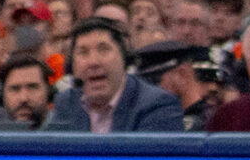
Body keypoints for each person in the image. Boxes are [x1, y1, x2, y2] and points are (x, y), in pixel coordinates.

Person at [45, 22, 185, 133]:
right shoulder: (67, 103)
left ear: (124, 59)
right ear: (72, 68)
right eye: (83, 52)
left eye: (103, 49)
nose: (93, 62)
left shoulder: (157, 105)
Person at [133, 39, 229, 131]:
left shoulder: (209, 122)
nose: (147, 89)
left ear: (181, 74)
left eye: (155, 81)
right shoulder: (156, 118)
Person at [0, 55, 54, 128]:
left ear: (49, 92)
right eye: (15, 89)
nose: (24, 98)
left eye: (32, 87)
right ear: (1, 95)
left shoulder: (67, 131)